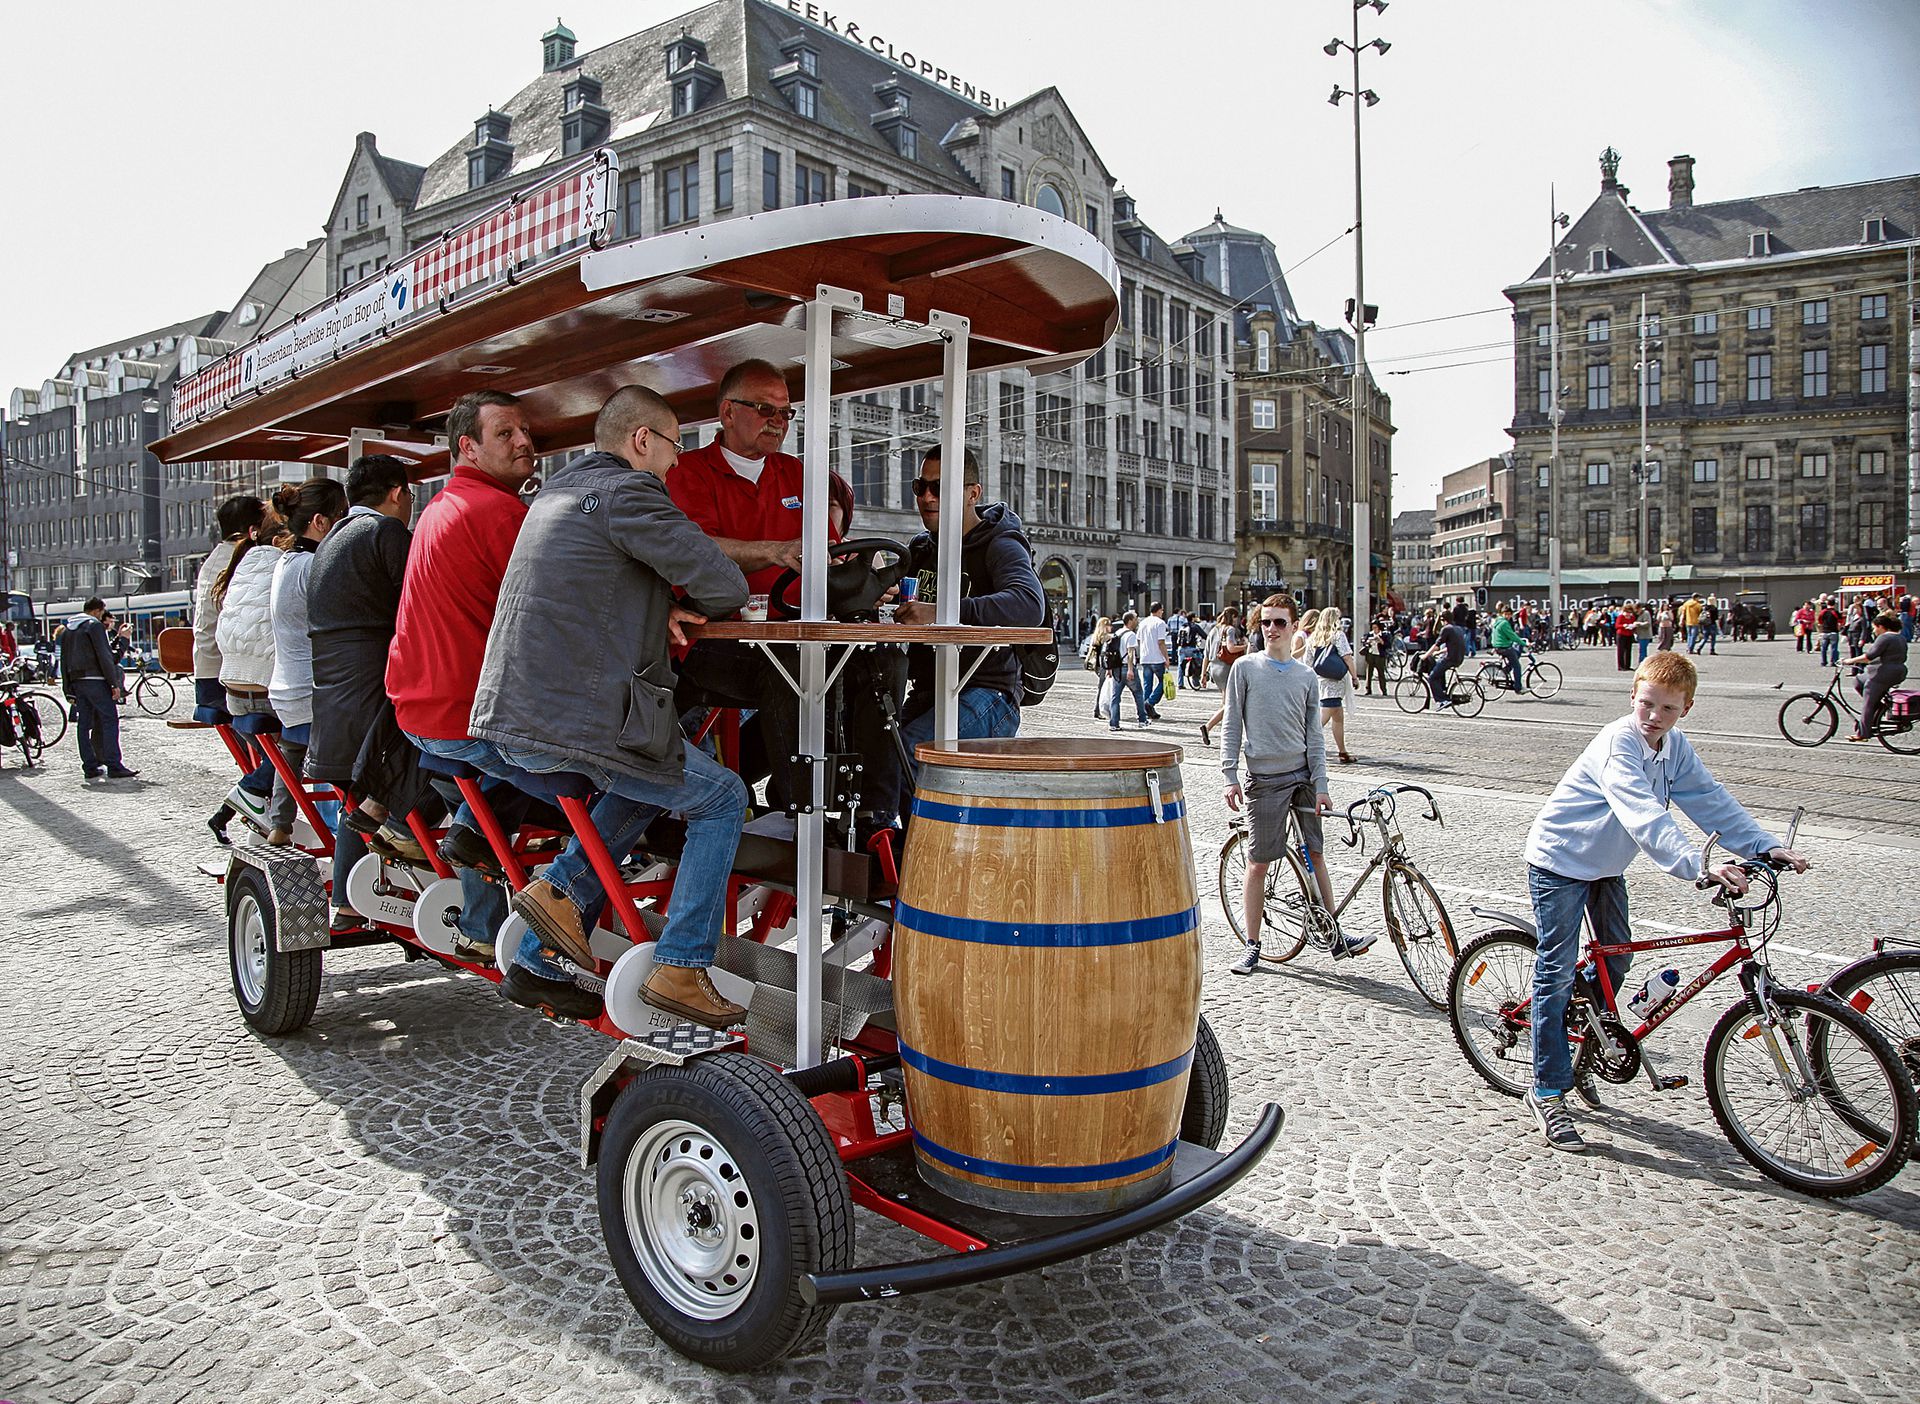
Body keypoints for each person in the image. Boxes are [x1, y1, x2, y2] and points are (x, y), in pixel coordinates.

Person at [471, 386, 752, 1029]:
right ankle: (681, 967)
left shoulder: (557, 494)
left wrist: (656, 607)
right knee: (723, 796)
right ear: (642, 440)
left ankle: (560, 894)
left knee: (656, 768)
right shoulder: (629, 493)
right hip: (567, 719)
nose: (677, 464)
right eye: (675, 447)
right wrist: (686, 602)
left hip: (514, 712)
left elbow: (594, 587)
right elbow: (725, 583)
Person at [1521, 652, 1807, 1152]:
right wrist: (1699, 867)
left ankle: (1584, 1032)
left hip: (1606, 866)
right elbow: (1644, 814)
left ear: (1686, 710)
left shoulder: (1673, 747)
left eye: (1667, 709)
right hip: (1560, 861)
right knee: (1556, 969)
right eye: (1647, 704)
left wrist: (1763, 846)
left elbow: (1709, 799)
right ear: (1632, 695)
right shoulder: (1619, 744)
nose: (1654, 716)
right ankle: (1547, 1089)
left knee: (1620, 957)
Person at [671, 360, 900, 821]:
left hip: (791, 636)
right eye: (764, 409)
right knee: (791, 667)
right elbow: (696, 548)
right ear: (727, 412)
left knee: (885, 660)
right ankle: (797, 813)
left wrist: (865, 583)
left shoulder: (797, 474)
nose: (777, 421)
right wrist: (775, 551)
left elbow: (832, 554)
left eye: (785, 413)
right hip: (708, 641)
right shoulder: (687, 471)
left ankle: (874, 816)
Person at [891, 445, 1044, 811]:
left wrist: (939, 612)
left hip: (988, 693)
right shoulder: (920, 549)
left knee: (910, 757)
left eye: (940, 488)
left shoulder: (1001, 543)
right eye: (920, 486)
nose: (927, 497)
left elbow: (1029, 603)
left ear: (973, 493)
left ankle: (932, 859)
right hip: (931, 691)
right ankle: (890, 853)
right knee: (876, 758)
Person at [1223, 593, 1369, 975]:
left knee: (1316, 854)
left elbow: (1314, 737)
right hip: (1265, 779)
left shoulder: (1306, 675)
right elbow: (1232, 725)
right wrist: (1229, 775)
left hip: (1302, 777)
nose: (1271, 629)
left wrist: (1321, 784)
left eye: (1279, 623)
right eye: (1265, 622)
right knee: (1258, 864)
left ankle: (1334, 931)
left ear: (1293, 627)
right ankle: (1252, 944)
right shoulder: (1245, 668)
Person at [306, 455, 414, 936]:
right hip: (376, 680)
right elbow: (424, 596)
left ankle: (348, 901)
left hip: (334, 688)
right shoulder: (385, 534)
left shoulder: (331, 540)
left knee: (359, 791)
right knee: (436, 747)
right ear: (396, 493)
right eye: (409, 495)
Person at [266, 478, 349, 844]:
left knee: (292, 748)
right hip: (310, 696)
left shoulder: (285, 562)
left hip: (285, 692)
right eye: (342, 518)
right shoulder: (316, 566)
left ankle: (280, 823)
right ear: (320, 522)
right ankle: (362, 822)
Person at [195, 495, 271, 842]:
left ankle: (258, 794)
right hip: (229, 681)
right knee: (307, 737)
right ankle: (252, 792)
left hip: (209, 676)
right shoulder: (246, 561)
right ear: (254, 530)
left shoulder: (215, 558)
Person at [217, 490, 292, 834]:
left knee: (285, 750)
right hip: (265, 693)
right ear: (280, 539)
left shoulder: (240, 565)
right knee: (316, 740)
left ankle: (261, 797)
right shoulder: (286, 566)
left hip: (232, 693)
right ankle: (259, 799)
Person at [57, 598, 136, 779]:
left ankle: (90, 766)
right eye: (102, 613)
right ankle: (114, 764)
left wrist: (67, 687)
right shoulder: (94, 626)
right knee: (109, 719)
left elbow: (64, 659)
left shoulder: (69, 629)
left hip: (77, 682)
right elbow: (105, 656)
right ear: (97, 611)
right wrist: (114, 683)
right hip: (96, 681)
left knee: (83, 724)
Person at [1843, 612, 1909, 743]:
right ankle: (1877, 706)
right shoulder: (1900, 637)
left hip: (1882, 674)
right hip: (1898, 672)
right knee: (1858, 680)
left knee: (1868, 704)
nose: (1874, 630)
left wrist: (1850, 661)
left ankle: (1862, 733)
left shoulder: (1885, 638)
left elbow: (1869, 656)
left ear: (1881, 626)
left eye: (1874, 627)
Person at [1305, 606, 1356, 764]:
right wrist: (1355, 677)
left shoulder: (1313, 638)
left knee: (1338, 717)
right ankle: (1303, 744)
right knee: (1324, 717)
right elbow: (1347, 657)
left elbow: (1308, 663)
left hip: (1321, 681)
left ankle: (1342, 751)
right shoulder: (1338, 635)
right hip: (1335, 682)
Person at [1199, 606, 1246, 745]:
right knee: (1230, 703)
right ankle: (1208, 727)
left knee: (1225, 702)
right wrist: (1245, 646)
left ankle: (1225, 730)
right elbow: (1231, 648)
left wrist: (1203, 674)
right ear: (1233, 617)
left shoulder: (1213, 630)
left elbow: (1206, 655)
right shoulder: (1230, 629)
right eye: (1236, 617)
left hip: (1214, 667)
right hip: (1226, 667)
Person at [1107, 609, 1151, 730]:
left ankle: (1114, 724)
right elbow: (1130, 653)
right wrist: (1131, 669)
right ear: (1130, 620)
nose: (1137, 621)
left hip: (1116, 669)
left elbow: (1110, 652)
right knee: (1138, 694)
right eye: (1136, 619)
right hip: (1127, 668)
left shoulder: (1117, 633)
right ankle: (1142, 720)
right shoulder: (1130, 635)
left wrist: (1109, 669)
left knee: (1115, 697)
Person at [1421, 615, 1468, 709]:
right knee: (1439, 667)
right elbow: (1452, 645)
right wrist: (1439, 652)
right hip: (1459, 658)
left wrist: (1425, 656)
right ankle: (1443, 690)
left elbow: (1437, 645)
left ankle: (1442, 700)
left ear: (1443, 621)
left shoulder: (1446, 629)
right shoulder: (1458, 628)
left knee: (1432, 677)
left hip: (1450, 659)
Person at [1136, 601, 1171, 714]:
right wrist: (1166, 657)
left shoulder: (1143, 623)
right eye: (1162, 610)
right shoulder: (1160, 623)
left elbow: (1139, 640)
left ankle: (1146, 710)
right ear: (1159, 610)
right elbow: (1161, 642)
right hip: (1157, 658)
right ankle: (1150, 702)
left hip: (1145, 657)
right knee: (1163, 682)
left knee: (1147, 685)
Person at [1491, 604, 1525, 694]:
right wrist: (1524, 643)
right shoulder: (1504, 623)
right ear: (1502, 614)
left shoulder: (1497, 621)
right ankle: (1518, 688)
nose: (1508, 616)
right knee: (1517, 666)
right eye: (1506, 614)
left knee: (1516, 653)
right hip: (1504, 647)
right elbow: (1512, 635)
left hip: (1497, 646)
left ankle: (1506, 670)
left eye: (1509, 614)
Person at [1358, 614, 1391, 697]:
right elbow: (1363, 641)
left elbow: (1387, 645)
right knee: (1369, 673)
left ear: (1379, 627)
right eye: (1373, 627)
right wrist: (1367, 641)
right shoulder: (1370, 634)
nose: (1374, 629)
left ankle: (1384, 690)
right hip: (1371, 654)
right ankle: (1368, 689)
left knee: (1381, 674)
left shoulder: (1384, 634)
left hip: (1379, 656)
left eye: (1376, 627)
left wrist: (1381, 641)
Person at [1815, 597, 1844, 668]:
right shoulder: (1835, 612)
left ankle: (1823, 662)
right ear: (1834, 604)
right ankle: (1833, 662)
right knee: (1834, 648)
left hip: (1825, 632)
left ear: (1827, 603)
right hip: (1834, 631)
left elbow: (1820, 621)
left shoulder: (1823, 611)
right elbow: (1841, 621)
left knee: (1824, 648)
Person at [1613, 605, 1636, 672]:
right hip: (1621, 634)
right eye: (1627, 612)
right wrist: (1623, 625)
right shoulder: (1621, 617)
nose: (1628, 613)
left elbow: (1633, 624)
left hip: (1629, 634)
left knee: (1628, 650)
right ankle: (1621, 666)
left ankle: (1627, 665)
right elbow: (1617, 625)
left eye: (1630, 612)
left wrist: (1633, 626)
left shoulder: (1632, 617)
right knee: (1620, 651)